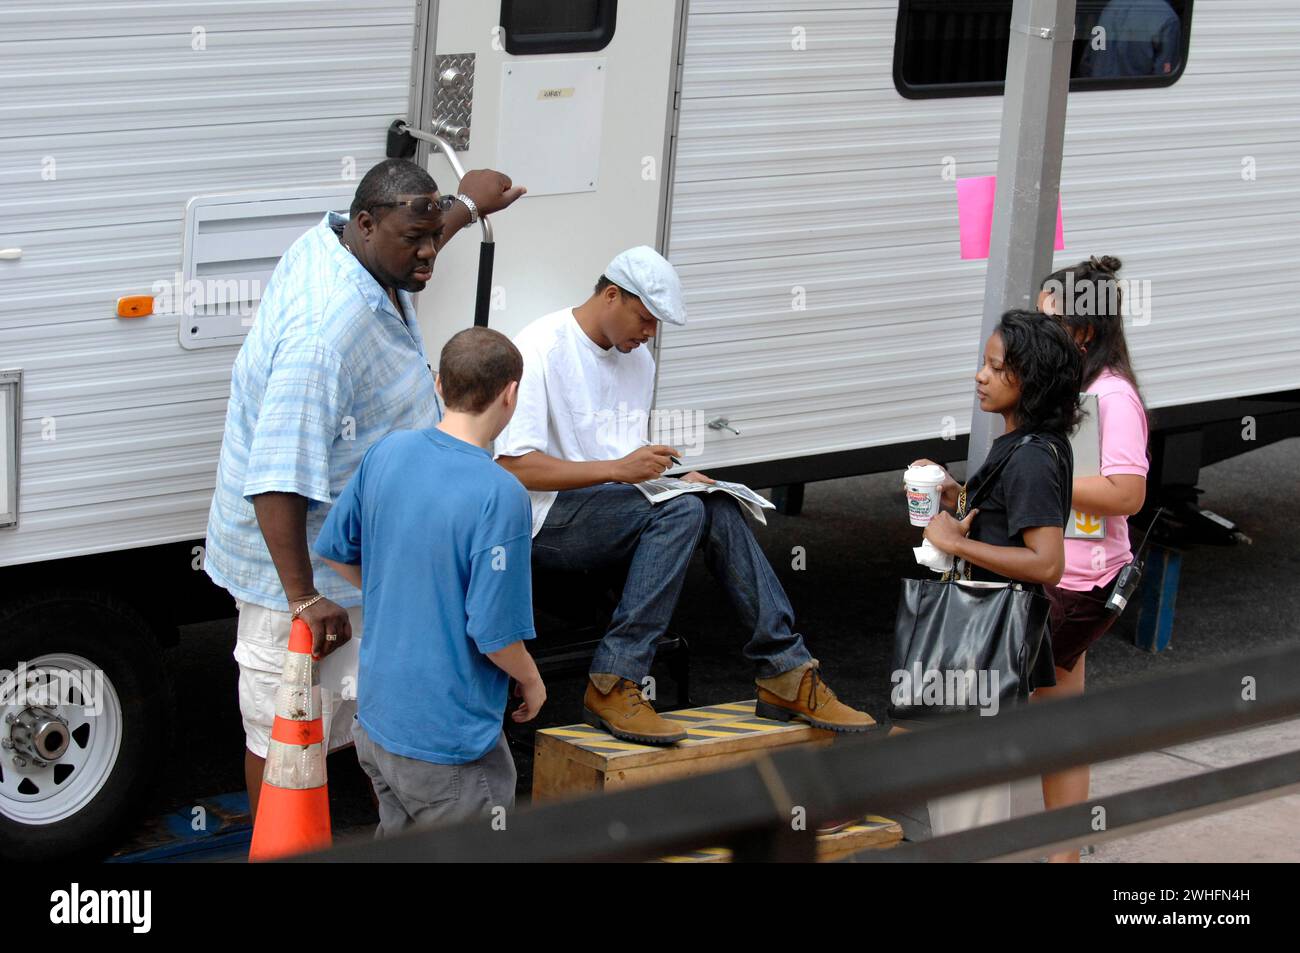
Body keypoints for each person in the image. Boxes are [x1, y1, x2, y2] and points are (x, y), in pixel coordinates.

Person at [204, 158, 525, 818]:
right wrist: (303, 597)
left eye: (434, 236)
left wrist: (467, 204)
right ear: (366, 224)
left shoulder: (352, 244)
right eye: (417, 241)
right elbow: (275, 478)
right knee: (285, 735)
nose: (430, 255)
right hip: (295, 575)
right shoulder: (325, 334)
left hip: (345, 562)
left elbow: (420, 233)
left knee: (341, 724)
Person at [494, 246, 875, 745]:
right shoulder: (540, 346)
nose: (649, 334)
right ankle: (614, 681)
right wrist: (622, 470)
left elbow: (621, 465)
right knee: (677, 515)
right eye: (646, 319)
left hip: (606, 507)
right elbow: (514, 468)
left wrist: (671, 479)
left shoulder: (639, 361)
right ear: (611, 295)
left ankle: (786, 669)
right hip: (543, 521)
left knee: (711, 502)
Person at [315, 328, 542, 835]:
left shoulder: (387, 453)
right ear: (510, 393)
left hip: (378, 724)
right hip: (449, 742)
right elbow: (495, 633)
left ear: (439, 385)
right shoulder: (501, 494)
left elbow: (336, 549)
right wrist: (531, 680)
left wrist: (401, 591)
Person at [908, 309, 1081, 835]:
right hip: (982, 634)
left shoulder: (1031, 457)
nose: (980, 376)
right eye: (983, 363)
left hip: (987, 634)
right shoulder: (1029, 446)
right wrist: (953, 495)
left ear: (1030, 378)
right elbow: (1005, 519)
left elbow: (1047, 562)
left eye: (995, 366)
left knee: (969, 798)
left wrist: (952, 539)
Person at [1033, 255, 1149, 862]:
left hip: (1075, 584)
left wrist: (1044, 474)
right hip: (1055, 573)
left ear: (1083, 330)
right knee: (1057, 728)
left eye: (1049, 319)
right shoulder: (1070, 391)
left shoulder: (1112, 397)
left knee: (951, 701)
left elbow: (1127, 494)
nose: (1037, 329)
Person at [1078, 0, 1182, 78]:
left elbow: (1087, 62)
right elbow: (1163, 78)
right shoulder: (1166, 16)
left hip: (1096, 94)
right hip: (1134, 98)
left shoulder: (1110, 6)